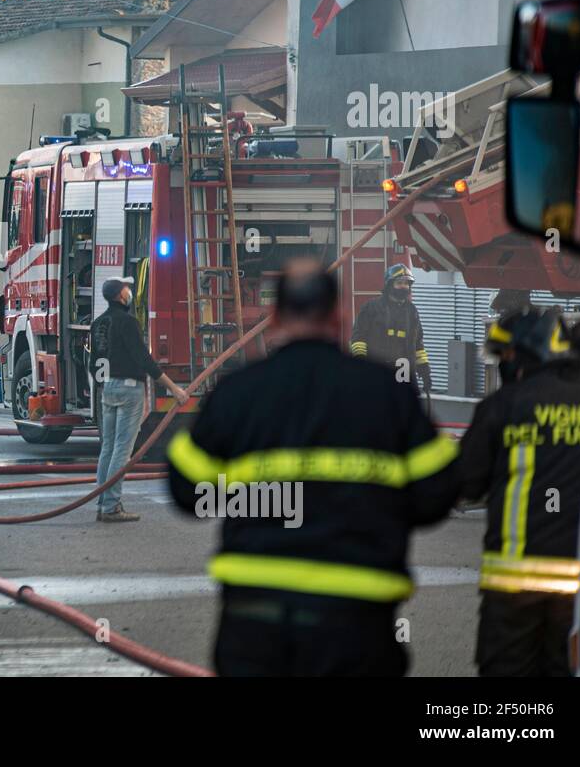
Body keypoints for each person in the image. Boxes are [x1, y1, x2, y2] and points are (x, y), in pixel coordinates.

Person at [167, 257, 460, 676]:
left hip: (256, 621)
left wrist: (253, 500)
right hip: (359, 621)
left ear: (274, 317)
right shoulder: (386, 395)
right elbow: (439, 492)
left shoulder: (238, 393)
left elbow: (185, 489)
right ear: (339, 316)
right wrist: (376, 503)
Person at [458, 309, 580, 676]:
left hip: (512, 585)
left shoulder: (502, 406)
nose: (503, 364)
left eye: (505, 356)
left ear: (525, 353)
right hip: (579, 585)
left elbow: (466, 482)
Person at [94, 276, 189, 523]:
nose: (130, 292)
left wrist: (105, 385)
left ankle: (102, 502)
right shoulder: (128, 322)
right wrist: (175, 390)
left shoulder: (98, 323)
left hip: (108, 389)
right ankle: (111, 507)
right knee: (122, 451)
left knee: (108, 448)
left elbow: (95, 363)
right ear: (120, 295)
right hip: (129, 390)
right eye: (127, 289)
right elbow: (144, 360)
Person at [349, 262, 431, 392]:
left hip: (403, 371)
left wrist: (424, 368)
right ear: (389, 285)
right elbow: (358, 338)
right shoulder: (371, 308)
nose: (403, 287)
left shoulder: (411, 311)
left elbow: (418, 344)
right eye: (399, 283)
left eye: (406, 284)